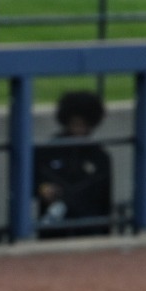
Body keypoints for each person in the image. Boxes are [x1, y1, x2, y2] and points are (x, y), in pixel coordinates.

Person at [35, 90, 114, 239]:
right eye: (75, 124)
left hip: (89, 230)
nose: (79, 130)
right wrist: (43, 189)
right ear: (66, 122)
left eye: (84, 125)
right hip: (54, 230)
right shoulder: (48, 151)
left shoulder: (100, 156)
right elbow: (33, 181)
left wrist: (105, 234)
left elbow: (105, 200)